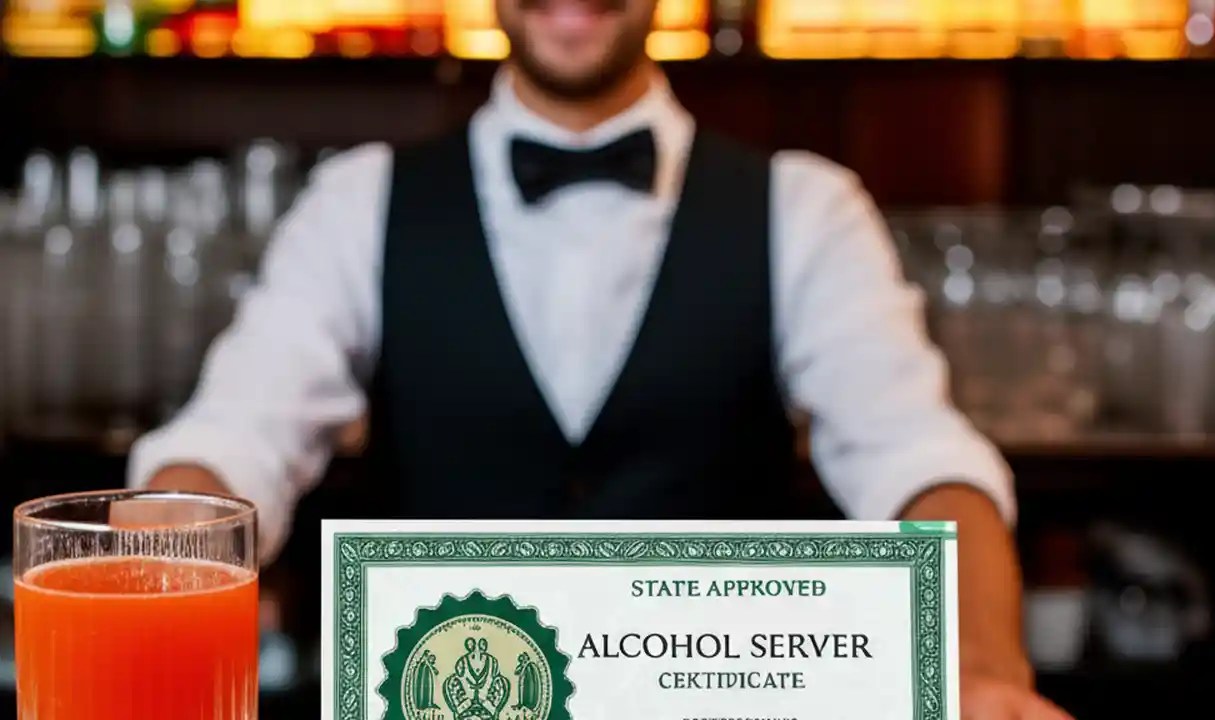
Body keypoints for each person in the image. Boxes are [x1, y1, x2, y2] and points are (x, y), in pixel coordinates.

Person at [127, 1, 1070, 717]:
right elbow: (237, 435)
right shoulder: (356, 202)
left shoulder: (806, 208)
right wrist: (154, 575)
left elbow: (916, 457)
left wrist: (982, 670)